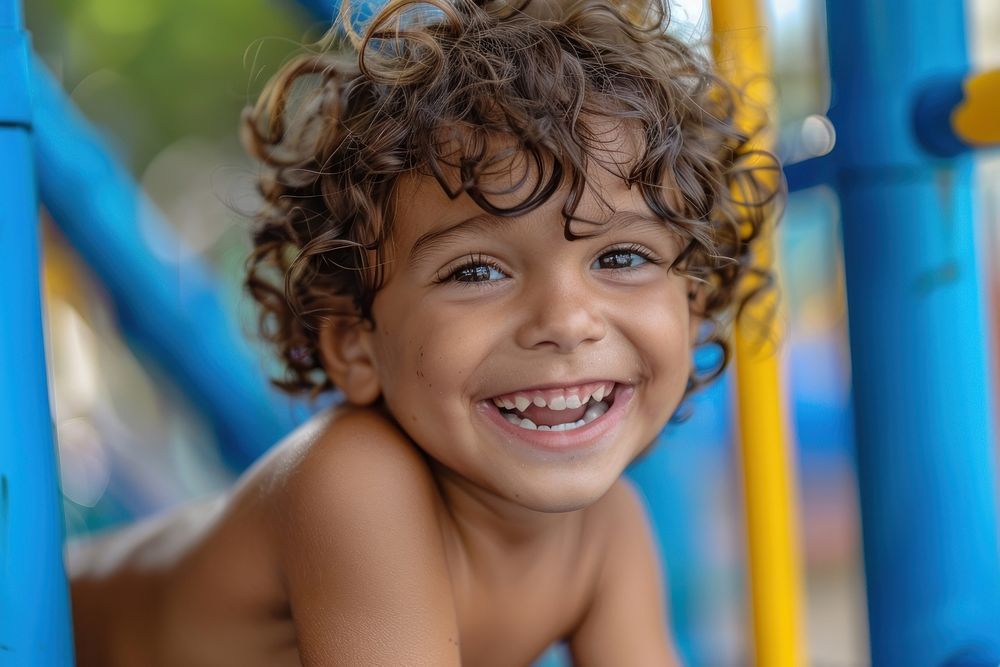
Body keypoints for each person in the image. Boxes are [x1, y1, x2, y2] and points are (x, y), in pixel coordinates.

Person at [67, 0, 777, 664]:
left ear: (693, 304)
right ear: (355, 341)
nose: (566, 320)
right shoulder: (355, 483)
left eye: (621, 257)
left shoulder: (609, 533)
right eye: (476, 271)